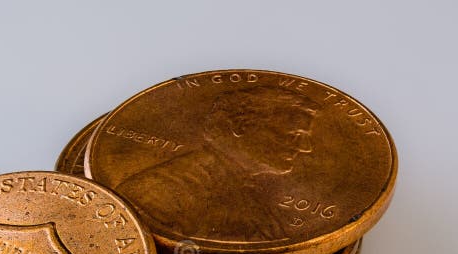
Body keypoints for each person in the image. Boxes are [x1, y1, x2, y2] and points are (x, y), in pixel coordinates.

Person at [117, 86, 320, 243]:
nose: (306, 147)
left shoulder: (247, 188)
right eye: (294, 135)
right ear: (241, 125)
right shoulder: (162, 190)